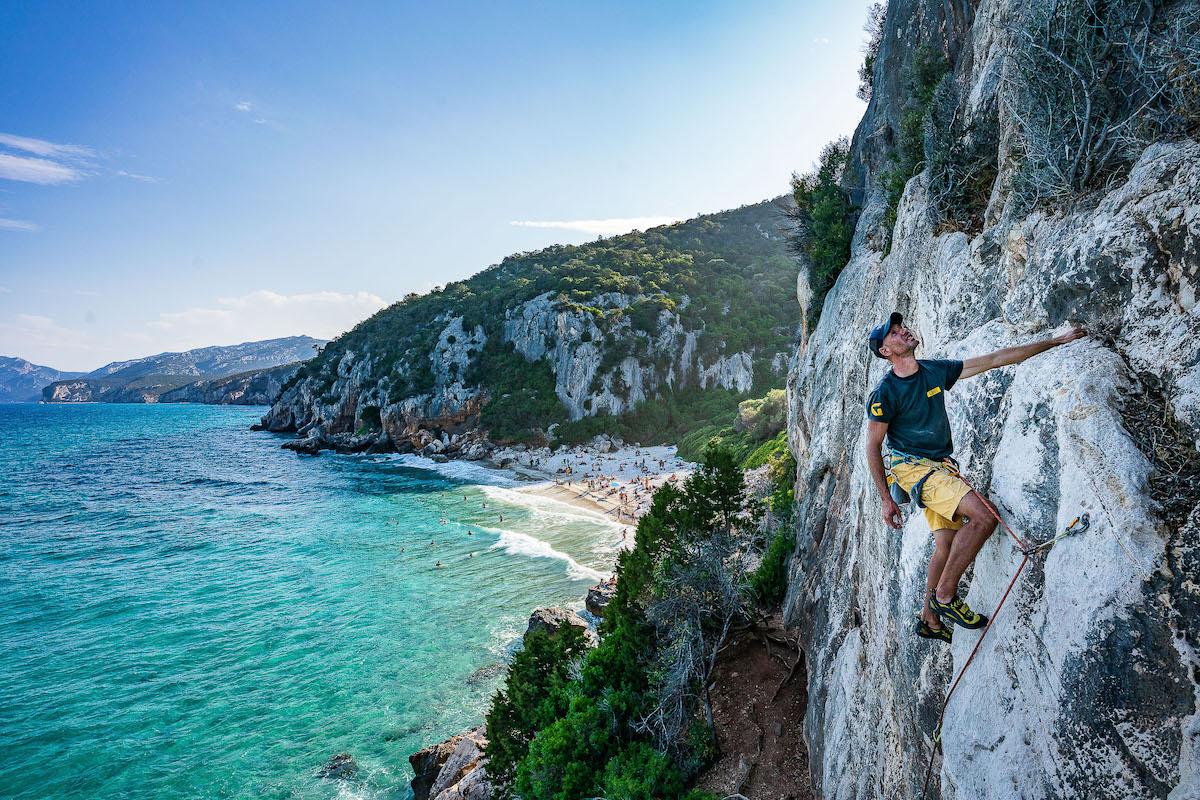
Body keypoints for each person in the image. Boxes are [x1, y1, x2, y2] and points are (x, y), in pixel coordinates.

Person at [864, 312, 1084, 643]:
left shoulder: (934, 371)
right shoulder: (886, 393)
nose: (903, 332)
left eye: (901, 327)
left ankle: (929, 619)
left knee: (945, 545)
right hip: (915, 470)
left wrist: (1054, 342)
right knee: (984, 517)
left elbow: (995, 359)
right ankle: (945, 597)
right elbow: (873, 445)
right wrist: (885, 500)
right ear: (886, 351)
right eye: (894, 334)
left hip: (937, 466)